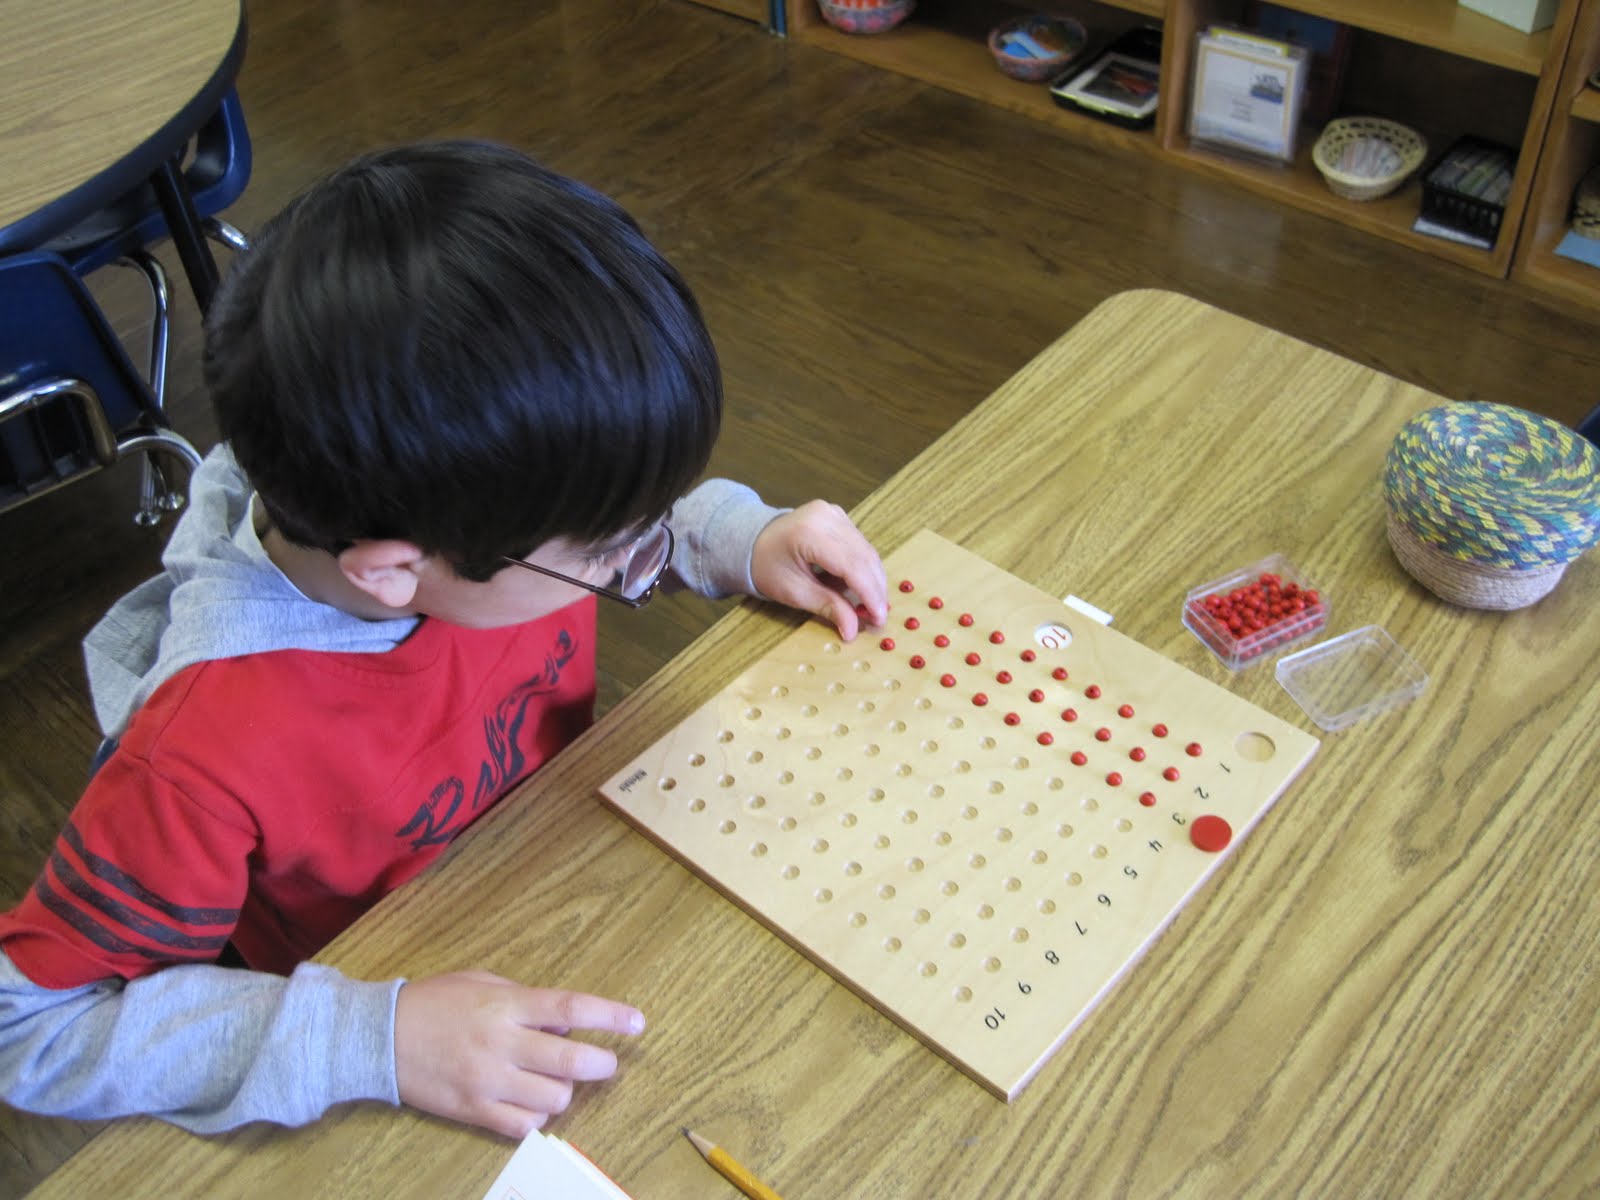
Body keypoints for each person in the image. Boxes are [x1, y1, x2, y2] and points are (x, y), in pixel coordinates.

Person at [0, 141, 887, 1141]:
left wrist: (738, 536)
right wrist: (372, 1037)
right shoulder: (197, 760)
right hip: (413, 1007)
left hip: (569, 873)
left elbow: (583, 511)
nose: (635, 554)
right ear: (392, 572)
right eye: (609, 549)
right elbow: (26, 1026)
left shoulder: (460, 510)